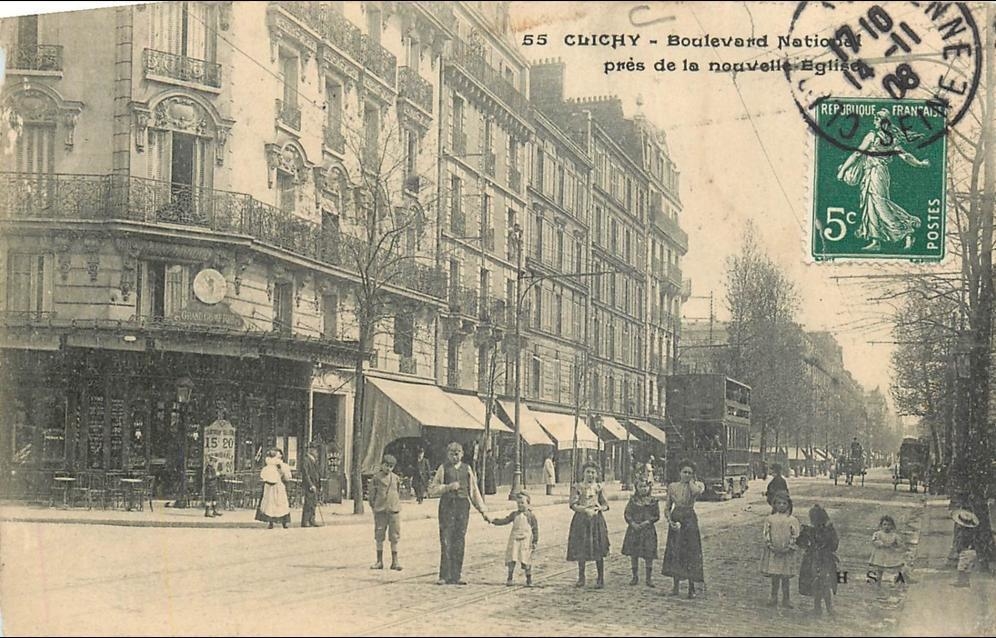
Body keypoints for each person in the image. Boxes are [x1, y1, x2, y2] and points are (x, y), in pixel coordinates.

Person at [836, 109, 929, 251]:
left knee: (880, 204)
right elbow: (906, 156)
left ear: (884, 122)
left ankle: (907, 232)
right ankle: (876, 240)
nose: (874, 119)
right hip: (872, 172)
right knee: (870, 204)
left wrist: (843, 170)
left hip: (877, 172)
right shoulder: (891, 139)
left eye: (877, 118)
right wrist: (920, 163)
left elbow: (857, 154)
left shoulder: (873, 136)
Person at [429, 442, 489, 585]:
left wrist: (483, 511)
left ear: (462, 454)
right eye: (451, 454)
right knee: (446, 539)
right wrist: (447, 487)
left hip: (462, 506)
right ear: (447, 454)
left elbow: (474, 491)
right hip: (447, 506)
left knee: (459, 539)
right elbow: (432, 489)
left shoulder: (467, 469)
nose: (454, 457)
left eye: (457, 454)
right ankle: (444, 575)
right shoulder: (443, 468)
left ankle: (457, 575)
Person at [661, 460, 705, 598]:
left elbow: (696, 492)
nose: (686, 475)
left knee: (690, 552)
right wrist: (670, 521)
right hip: (676, 518)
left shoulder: (697, 485)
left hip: (689, 519)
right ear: (679, 473)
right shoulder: (673, 486)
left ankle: (691, 588)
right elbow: (667, 507)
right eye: (684, 472)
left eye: (690, 473)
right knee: (675, 551)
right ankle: (675, 587)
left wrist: (691, 481)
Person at [567, 462, 610, 589]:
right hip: (581, 520)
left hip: (596, 520)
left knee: (598, 547)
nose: (590, 475)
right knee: (581, 548)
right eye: (588, 472)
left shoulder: (599, 487)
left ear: (596, 474)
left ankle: (600, 578)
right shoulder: (577, 487)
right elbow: (573, 504)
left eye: (593, 472)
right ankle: (581, 577)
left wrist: (599, 508)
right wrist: (584, 510)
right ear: (583, 473)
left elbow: (606, 505)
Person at [490, 491, 539, 587]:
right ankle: (510, 578)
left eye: (522, 503)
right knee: (512, 558)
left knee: (526, 559)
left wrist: (535, 541)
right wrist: (494, 521)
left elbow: (535, 529)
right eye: (518, 503)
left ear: (528, 503)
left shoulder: (531, 516)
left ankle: (529, 579)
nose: (520, 505)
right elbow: (505, 520)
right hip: (514, 540)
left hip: (526, 540)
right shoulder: (514, 514)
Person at [798, 504, 839, 616]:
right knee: (819, 583)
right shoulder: (815, 530)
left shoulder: (827, 529)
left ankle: (825, 608)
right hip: (818, 559)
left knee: (822, 583)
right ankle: (821, 608)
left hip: (821, 560)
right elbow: (801, 542)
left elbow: (834, 545)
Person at [760, 491, 800, 608]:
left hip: (786, 552)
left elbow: (795, 535)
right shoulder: (770, 519)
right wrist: (770, 545)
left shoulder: (792, 520)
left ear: (789, 504)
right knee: (775, 576)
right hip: (774, 551)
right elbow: (766, 533)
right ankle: (773, 597)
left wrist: (789, 546)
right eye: (779, 503)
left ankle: (786, 599)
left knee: (785, 577)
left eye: (784, 503)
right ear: (774, 505)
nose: (781, 505)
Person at [622, 477, 660, 587]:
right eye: (641, 486)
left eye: (645, 486)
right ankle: (635, 577)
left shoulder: (653, 501)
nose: (643, 489)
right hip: (635, 530)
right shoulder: (633, 500)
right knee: (634, 554)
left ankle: (648, 578)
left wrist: (648, 522)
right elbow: (627, 513)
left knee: (649, 554)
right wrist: (632, 523)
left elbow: (656, 515)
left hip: (648, 531)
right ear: (636, 488)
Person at [368, 453, 403, 571]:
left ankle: (395, 561)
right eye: (386, 465)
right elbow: (371, 495)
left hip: (394, 510)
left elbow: (397, 492)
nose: (388, 468)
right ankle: (379, 561)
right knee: (379, 535)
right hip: (381, 511)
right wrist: (375, 507)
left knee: (394, 536)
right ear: (382, 465)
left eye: (391, 466)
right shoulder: (376, 478)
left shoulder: (396, 478)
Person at [256, 449, 292, 529]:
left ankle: (283, 522)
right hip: (271, 487)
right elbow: (264, 476)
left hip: (279, 486)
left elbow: (286, 477)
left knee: (281, 503)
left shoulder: (282, 466)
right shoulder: (268, 467)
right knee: (271, 504)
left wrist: (281, 472)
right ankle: (271, 522)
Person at [868, 514, 906, 587]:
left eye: (889, 525)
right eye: (884, 524)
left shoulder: (894, 535)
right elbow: (874, 541)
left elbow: (901, 544)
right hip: (880, 555)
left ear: (892, 526)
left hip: (890, 554)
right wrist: (881, 544)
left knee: (894, 569)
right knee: (879, 571)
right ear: (881, 525)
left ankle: (896, 582)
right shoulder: (878, 534)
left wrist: (897, 548)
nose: (887, 526)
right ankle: (878, 584)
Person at [951, 508, 980, 588]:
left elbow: (960, 542)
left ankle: (961, 581)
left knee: (961, 567)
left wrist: (958, 550)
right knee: (968, 567)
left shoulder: (963, 533)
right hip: (973, 550)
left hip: (966, 550)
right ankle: (966, 581)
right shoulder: (972, 532)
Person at [300, 441, 322, 527]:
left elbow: (317, 473)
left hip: (315, 484)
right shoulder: (306, 460)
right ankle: (305, 521)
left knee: (314, 502)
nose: (316, 452)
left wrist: (319, 484)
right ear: (310, 450)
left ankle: (312, 519)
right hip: (309, 485)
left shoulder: (314, 460)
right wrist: (310, 485)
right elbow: (306, 474)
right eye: (315, 450)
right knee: (308, 502)